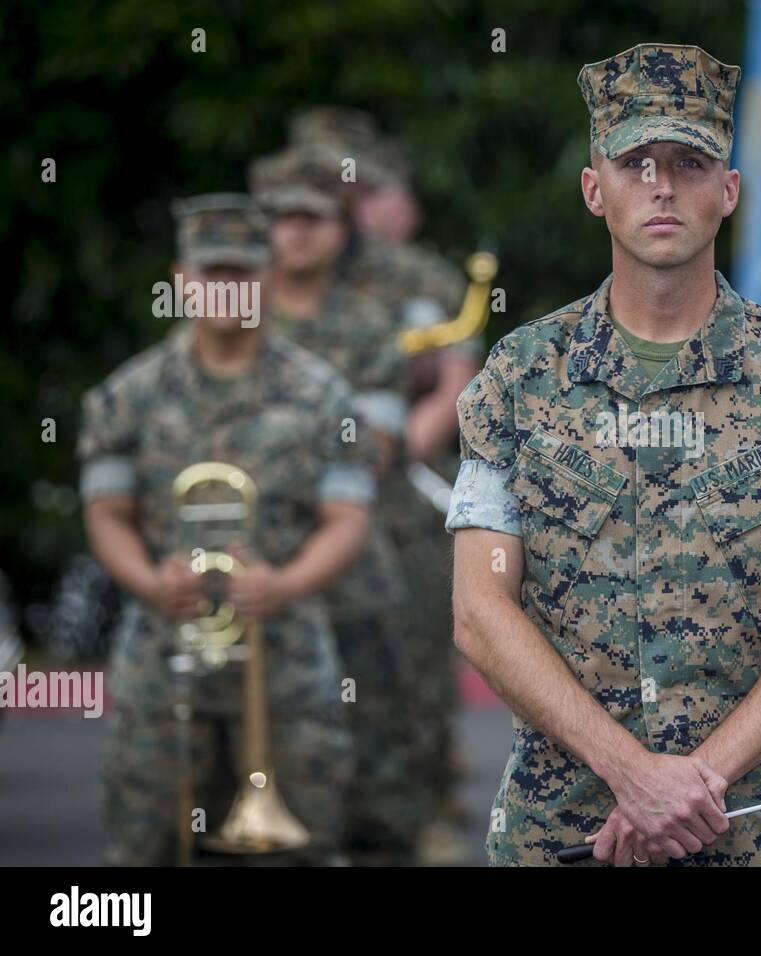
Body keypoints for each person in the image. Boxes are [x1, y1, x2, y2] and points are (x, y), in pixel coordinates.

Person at [447, 43, 761, 867]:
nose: (661, 185)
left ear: (729, 192)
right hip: (564, 831)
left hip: (757, 830)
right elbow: (480, 612)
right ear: (593, 189)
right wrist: (631, 772)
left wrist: (689, 784)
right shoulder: (517, 377)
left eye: (689, 162)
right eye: (635, 161)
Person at [78, 194, 374, 865]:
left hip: (286, 664)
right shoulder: (128, 396)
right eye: (213, 274)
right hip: (162, 662)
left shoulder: (324, 395)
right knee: (147, 848)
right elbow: (105, 514)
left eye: (242, 274)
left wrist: (287, 582)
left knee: (302, 846)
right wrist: (149, 579)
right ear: (181, 281)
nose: (227, 291)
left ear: (268, 281)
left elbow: (348, 517)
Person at [290, 108, 481, 861]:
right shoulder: (278, 273)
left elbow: (456, 385)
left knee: (411, 657)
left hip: (398, 490)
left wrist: (399, 451)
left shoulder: (415, 278)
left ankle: (421, 802)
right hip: (299, 495)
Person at [249, 145, 424, 865]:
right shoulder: (234, 320)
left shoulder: (367, 327)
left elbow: (377, 446)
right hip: (247, 557)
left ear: (339, 226)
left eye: (310, 218)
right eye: (280, 218)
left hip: (352, 563)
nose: (294, 233)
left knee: (375, 746)